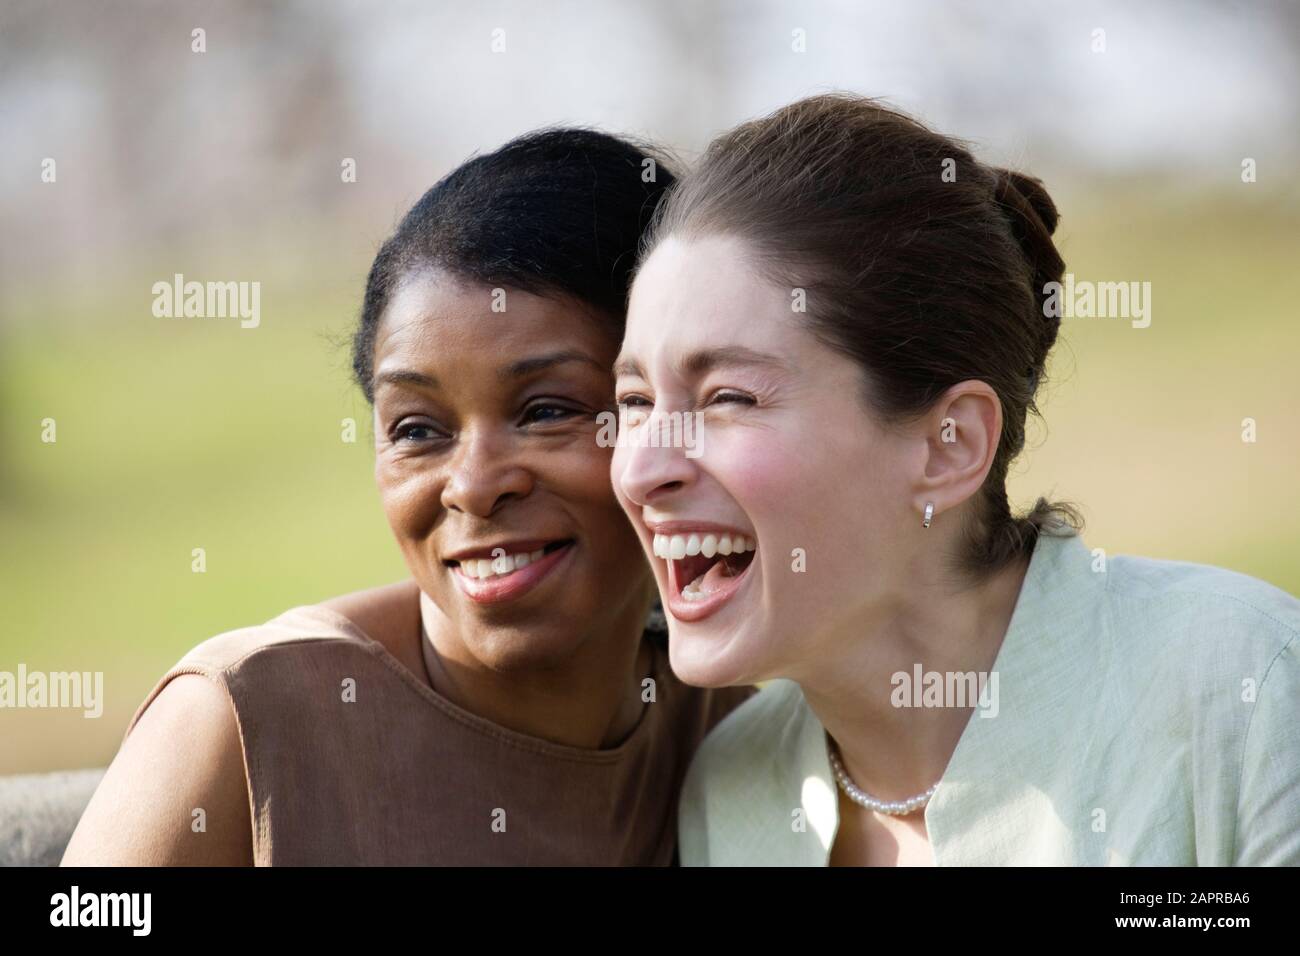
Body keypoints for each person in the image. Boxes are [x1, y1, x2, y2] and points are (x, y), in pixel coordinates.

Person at [610, 93, 1300, 865]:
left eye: (728, 397)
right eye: (634, 401)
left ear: (949, 445)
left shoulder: (1245, 686)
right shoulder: (729, 796)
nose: (640, 468)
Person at [63, 128, 754, 866]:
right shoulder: (242, 727)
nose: (474, 486)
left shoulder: (741, 736)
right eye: (418, 429)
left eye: (548, 410)